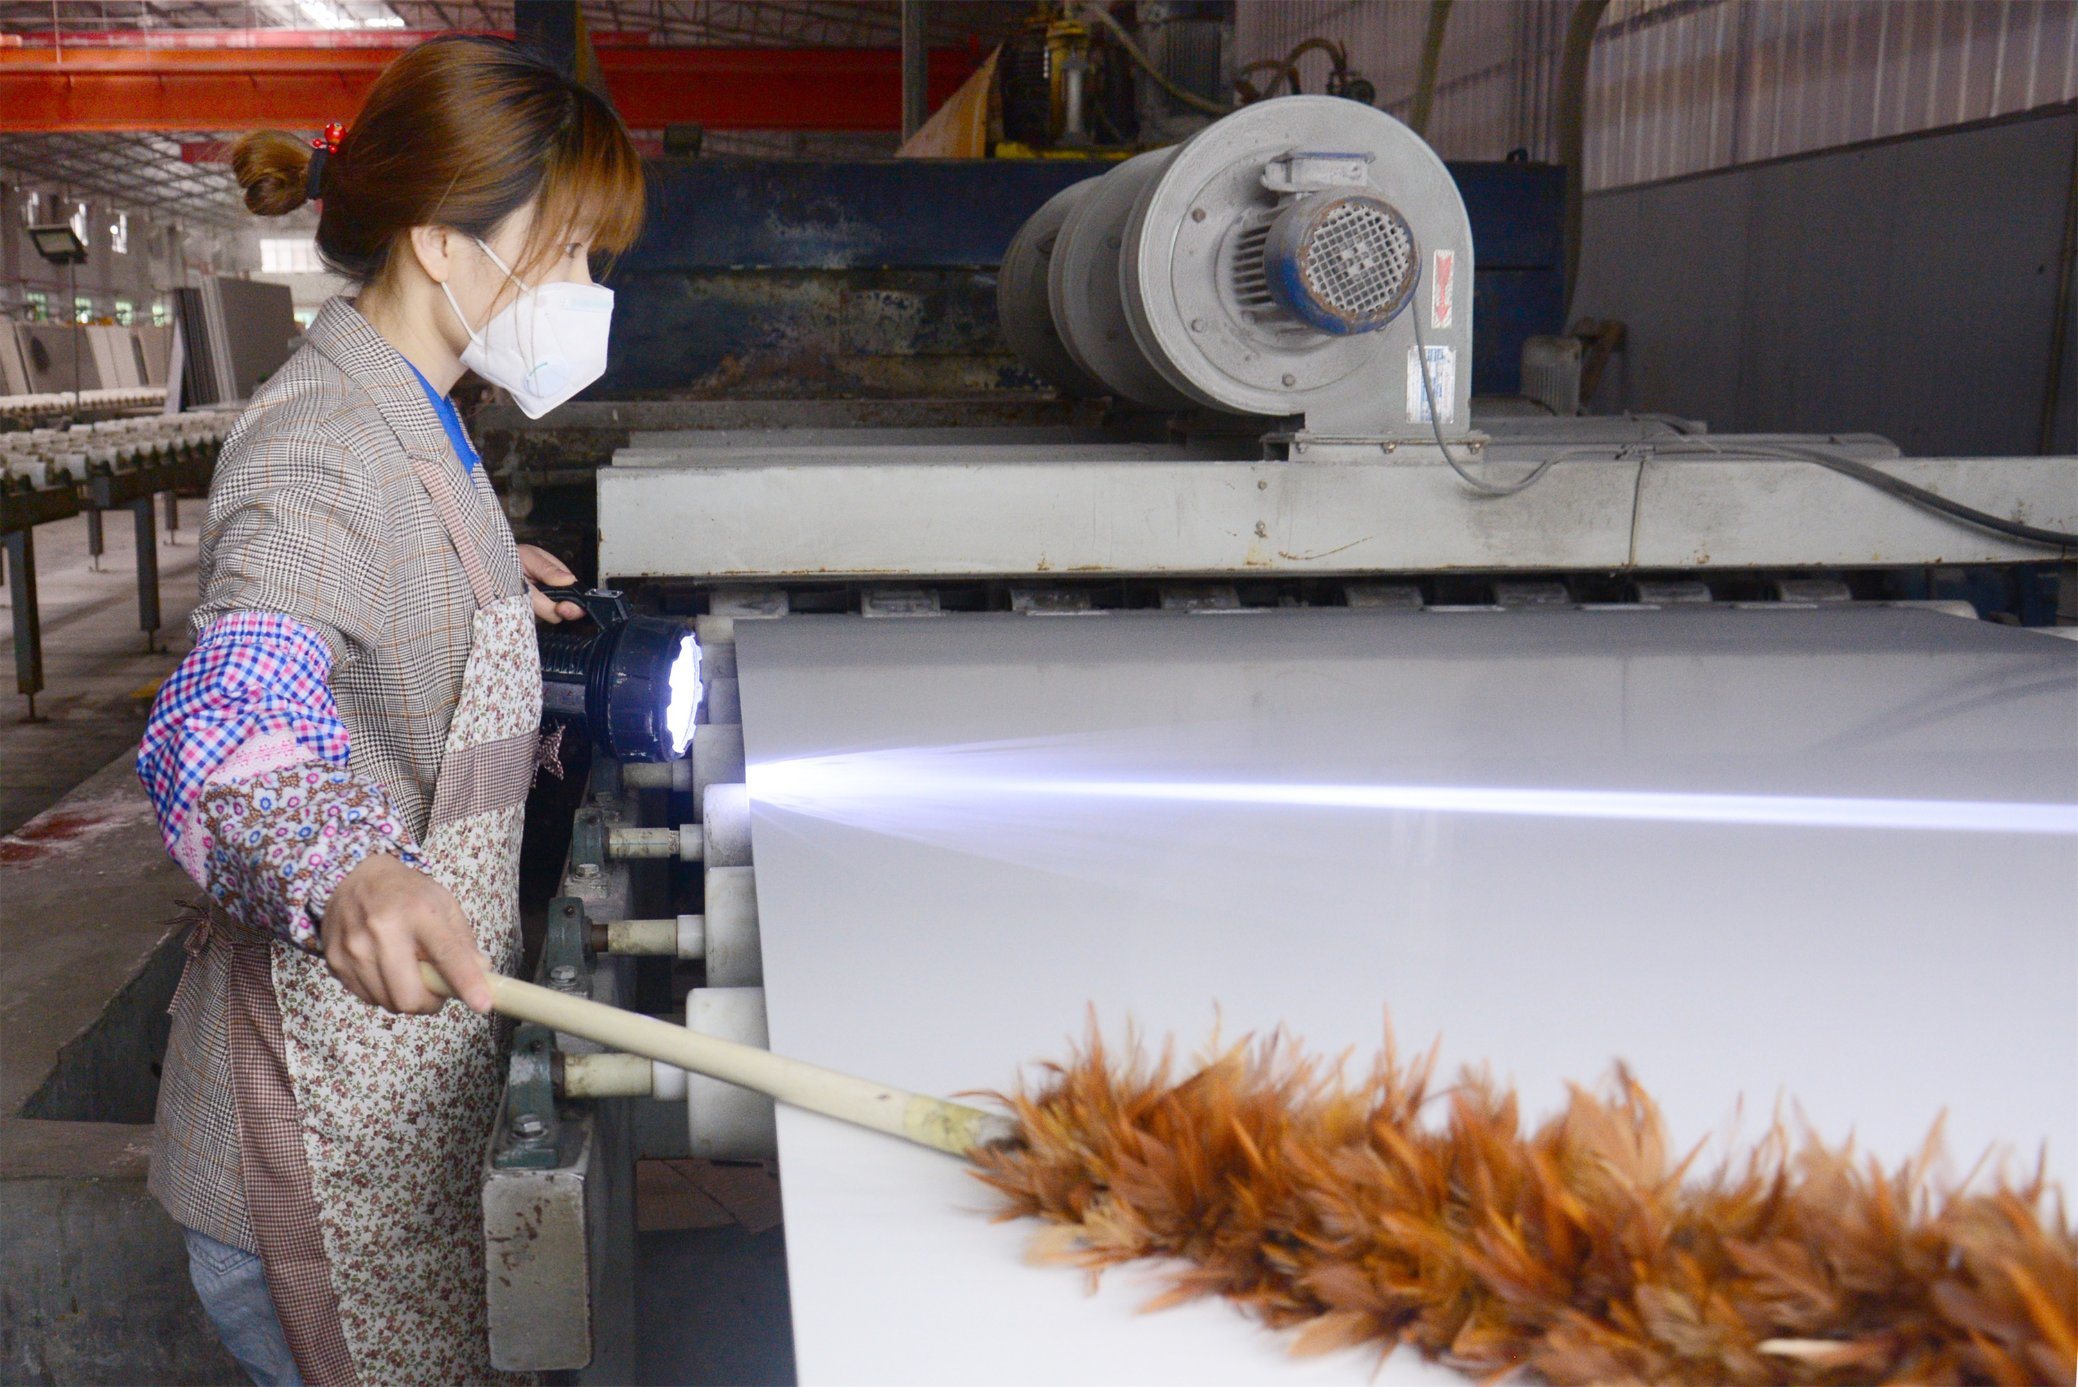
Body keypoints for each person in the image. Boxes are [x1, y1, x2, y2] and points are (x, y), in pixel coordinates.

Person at [137, 35, 643, 1386]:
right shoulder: (321, 441)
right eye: (568, 252)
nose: (586, 291)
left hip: (404, 1085)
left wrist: (483, 582)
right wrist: (348, 866)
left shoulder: (419, 411)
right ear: (438, 242)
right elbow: (227, 710)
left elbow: (375, 589)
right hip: (319, 1123)